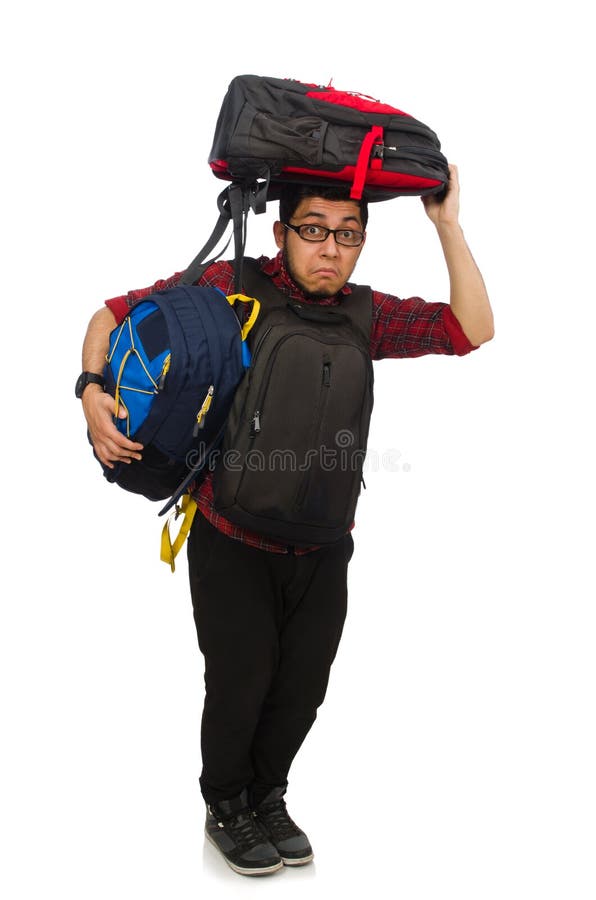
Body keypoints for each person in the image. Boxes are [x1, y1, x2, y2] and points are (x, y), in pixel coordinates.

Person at [79, 164, 494, 877]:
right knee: (241, 681)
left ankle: (267, 797)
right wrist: (91, 390)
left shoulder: (367, 314)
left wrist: (447, 226)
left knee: (303, 686)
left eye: (348, 235)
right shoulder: (233, 287)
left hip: (326, 547)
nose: (330, 249)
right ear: (281, 232)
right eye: (313, 231)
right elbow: (112, 311)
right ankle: (224, 805)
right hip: (230, 535)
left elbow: (471, 330)